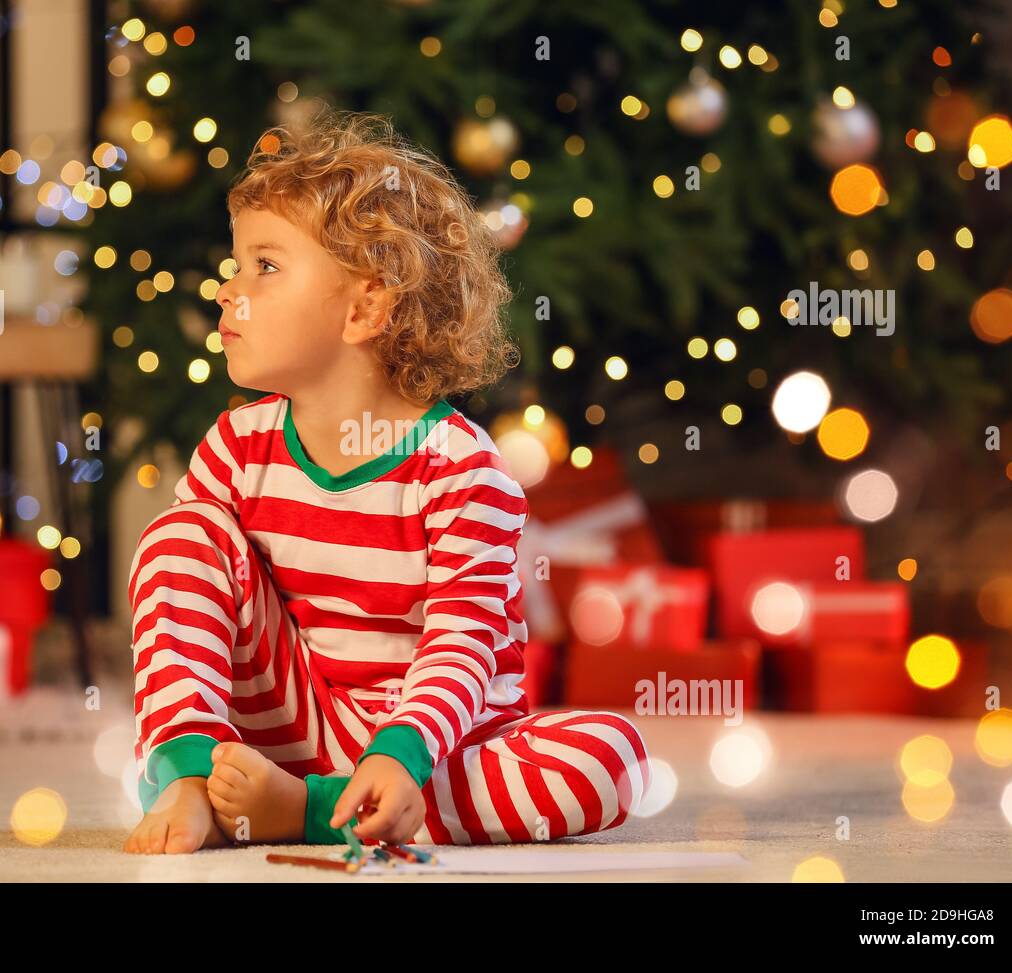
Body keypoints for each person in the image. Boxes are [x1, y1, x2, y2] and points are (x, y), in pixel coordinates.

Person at [125, 107, 649, 854]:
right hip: (296, 721)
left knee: (610, 756)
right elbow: (184, 600)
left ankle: (312, 810)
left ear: (366, 305)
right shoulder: (239, 445)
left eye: (264, 267)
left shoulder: (463, 470)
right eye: (235, 266)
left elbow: (460, 647)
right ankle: (188, 781)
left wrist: (400, 752)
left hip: (436, 745)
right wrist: (189, 756)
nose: (227, 291)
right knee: (180, 533)